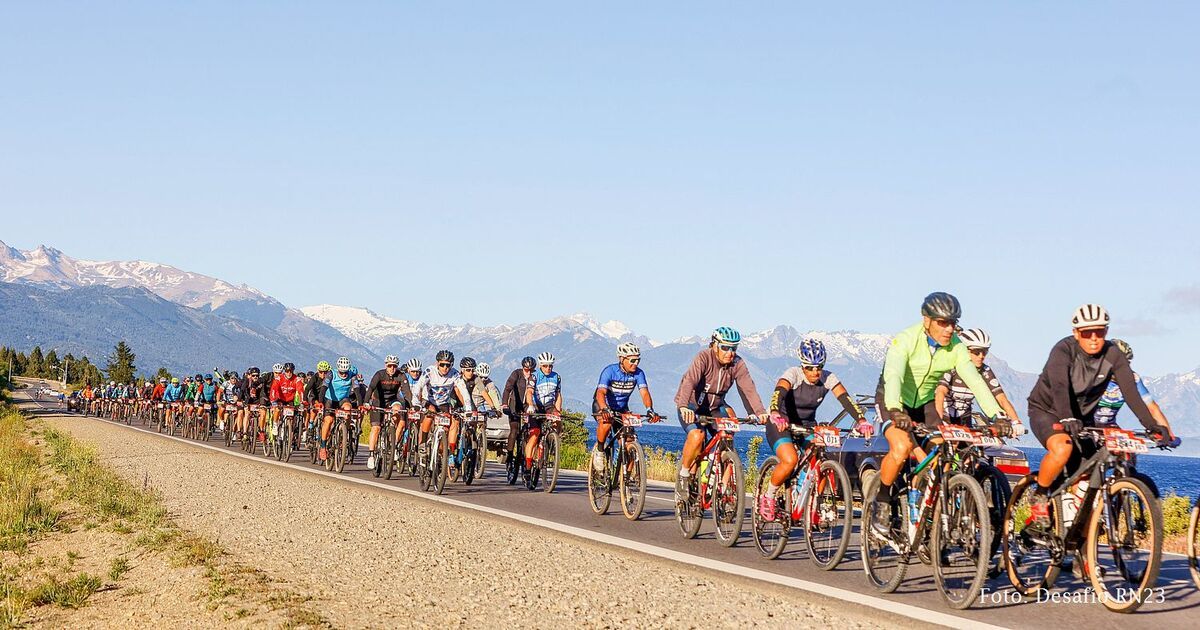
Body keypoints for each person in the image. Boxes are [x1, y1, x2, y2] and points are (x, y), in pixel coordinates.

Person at [871, 293, 1011, 536]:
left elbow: (975, 381)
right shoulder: (905, 339)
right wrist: (894, 409)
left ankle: (932, 522)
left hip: (924, 403)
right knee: (902, 447)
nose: (949, 329)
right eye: (942, 322)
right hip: (893, 399)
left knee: (943, 454)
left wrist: (997, 415)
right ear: (927, 321)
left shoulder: (956, 346)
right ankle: (882, 500)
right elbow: (893, 375)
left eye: (953, 323)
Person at [1025, 305, 1176, 527]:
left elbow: (1131, 394)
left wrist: (1152, 426)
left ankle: (1081, 548)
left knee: (1089, 475)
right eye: (1087, 333)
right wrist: (1066, 417)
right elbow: (1059, 386)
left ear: (1106, 331)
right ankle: (1039, 494)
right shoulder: (1063, 350)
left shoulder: (1113, 354)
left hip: (1081, 418)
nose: (1094, 338)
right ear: (1076, 333)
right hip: (1048, 411)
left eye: (1100, 332)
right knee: (1063, 448)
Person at [760, 339, 868, 520]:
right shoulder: (793, 374)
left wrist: (862, 420)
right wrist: (775, 412)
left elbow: (846, 399)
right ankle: (768, 496)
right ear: (802, 366)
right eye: (810, 367)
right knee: (790, 460)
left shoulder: (828, 377)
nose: (815, 372)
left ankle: (813, 504)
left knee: (820, 456)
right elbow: (778, 392)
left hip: (806, 425)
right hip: (781, 423)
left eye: (819, 367)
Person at [673, 327, 768, 502]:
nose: (730, 353)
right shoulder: (704, 357)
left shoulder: (737, 364)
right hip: (692, 405)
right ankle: (685, 474)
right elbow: (689, 381)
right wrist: (684, 406)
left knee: (728, 434)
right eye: (725, 347)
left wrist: (759, 413)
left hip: (715, 406)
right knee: (697, 435)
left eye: (734, 348)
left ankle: (724, 487)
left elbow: (748, 389)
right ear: (715, 345)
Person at [934, 328, 1025, 432]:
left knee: (974, 447)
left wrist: (1016, 421)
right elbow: (940, 393)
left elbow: (1001, 398)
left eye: (984, 352)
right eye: (976, 352)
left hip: (964, 419)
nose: (981, 356)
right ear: (965, 350)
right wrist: (937, 420)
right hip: (944, 416)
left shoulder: (985, 371)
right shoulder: (951, 367)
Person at [592, 342, 659, 472]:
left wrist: (649, 409)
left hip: (622, 408)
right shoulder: (609, 371)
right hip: (603, 405)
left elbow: (644, 392)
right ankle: (599, 451)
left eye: (638, 360)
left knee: (630, 439)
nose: (636, 363)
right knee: (606, 422)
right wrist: (604, 409)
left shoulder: (639, 374)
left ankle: (626, 479)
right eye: (632, 360)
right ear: (622, 359)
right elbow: (600, 393)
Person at [412, 350, 474, 469]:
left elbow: (463, 391)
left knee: (451, 424)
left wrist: (468, 408)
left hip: (444, 403)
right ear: (437, 363)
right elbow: (418, 387)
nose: (445, 368)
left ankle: (448, 452)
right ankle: (423, 443)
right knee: (430, 414)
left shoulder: (455, 374)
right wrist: (415, 403)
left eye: (448, 365)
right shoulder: (430, 371)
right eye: (442, 364)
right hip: (429, 401)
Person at [1093, 339, 1174, 429]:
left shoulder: (1134, 379)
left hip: (1109, 427)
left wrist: (1169, 435)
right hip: (1085, 425)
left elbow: (1153, 409)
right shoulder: (1094, 376)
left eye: (1126, 363)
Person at [363, 355, 413, 470]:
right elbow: (370, 388)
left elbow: (407, 392)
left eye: (394, 366)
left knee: (398, 410)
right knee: (376, 428)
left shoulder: (400, 375)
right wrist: (366, 402)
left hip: (392, 400)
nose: (392, 368)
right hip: (378, 400)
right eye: (389, 366)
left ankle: (392, 443)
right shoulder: (379, 374)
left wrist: (410, 406)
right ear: (386, 365)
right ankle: (371, 455)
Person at [523, 352, 562, 478]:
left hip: (549, 406)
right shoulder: (534, 377)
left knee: (558, 420)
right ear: (540, 365)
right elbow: (529, 392)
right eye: (545, 366)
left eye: (550, 366)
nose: (548, 369)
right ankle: (528, 467)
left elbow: (558, 396)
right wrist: (530, 405)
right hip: (536, 406)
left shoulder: (557, 377)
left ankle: (552, 442)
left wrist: (558, 411)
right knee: (534, 435)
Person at [319, 357, 361, 463]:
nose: (343, 375)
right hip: (330, 399)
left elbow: (357, 390)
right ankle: (323, 446)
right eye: (341, 372)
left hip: (343, 399)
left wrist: (360, 404)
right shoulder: (331, 374)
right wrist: (320, 402)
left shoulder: (352, 375)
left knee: (348, 409)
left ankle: (344, 433)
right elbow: (323, 388)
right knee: (328, 421)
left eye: (345, 372)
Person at [501, 356, 536, 465]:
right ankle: (510, 454)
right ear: (523, 368)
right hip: (514, 403)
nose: (529, 372)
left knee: (530, 426)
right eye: (527, 370)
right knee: (514, 429)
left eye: (531, 370)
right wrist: (505, 404)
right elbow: (508, 388)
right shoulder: (516, 374)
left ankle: (526, 451)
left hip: (526, 405)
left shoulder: (533, 377)